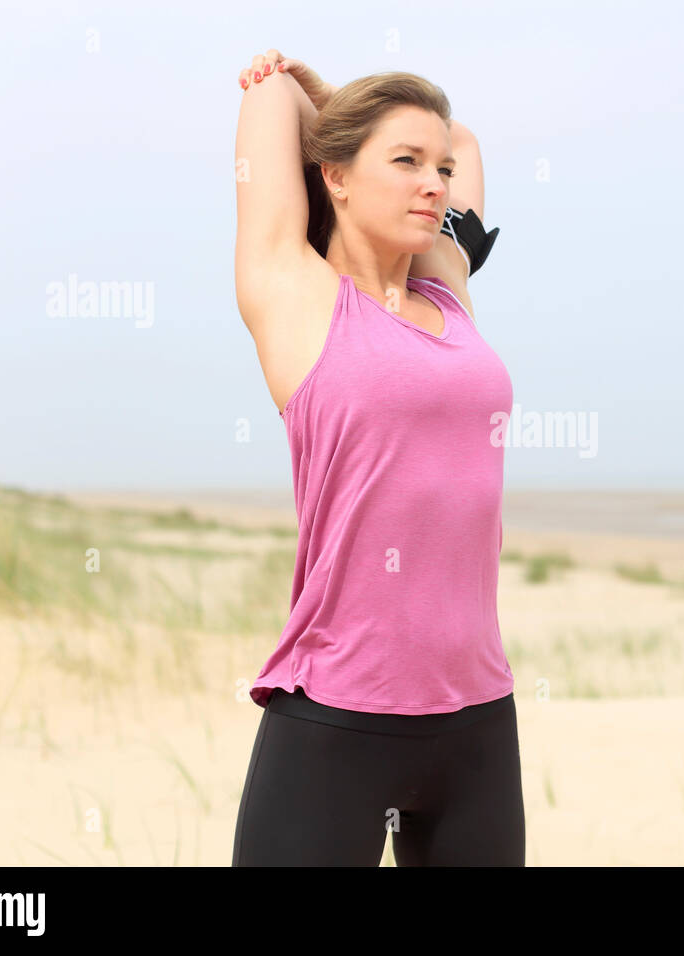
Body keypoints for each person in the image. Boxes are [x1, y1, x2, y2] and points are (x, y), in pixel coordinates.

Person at [229, 50, 523, 866]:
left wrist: (395, 138)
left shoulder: (449, 288)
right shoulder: (297, 296)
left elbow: (455, 132)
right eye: (404, 164)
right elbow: (270, 94)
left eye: (440, 172)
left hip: (477, 721)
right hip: (335, 721)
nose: (434, 182)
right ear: (334, 177)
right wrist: (312, 96)